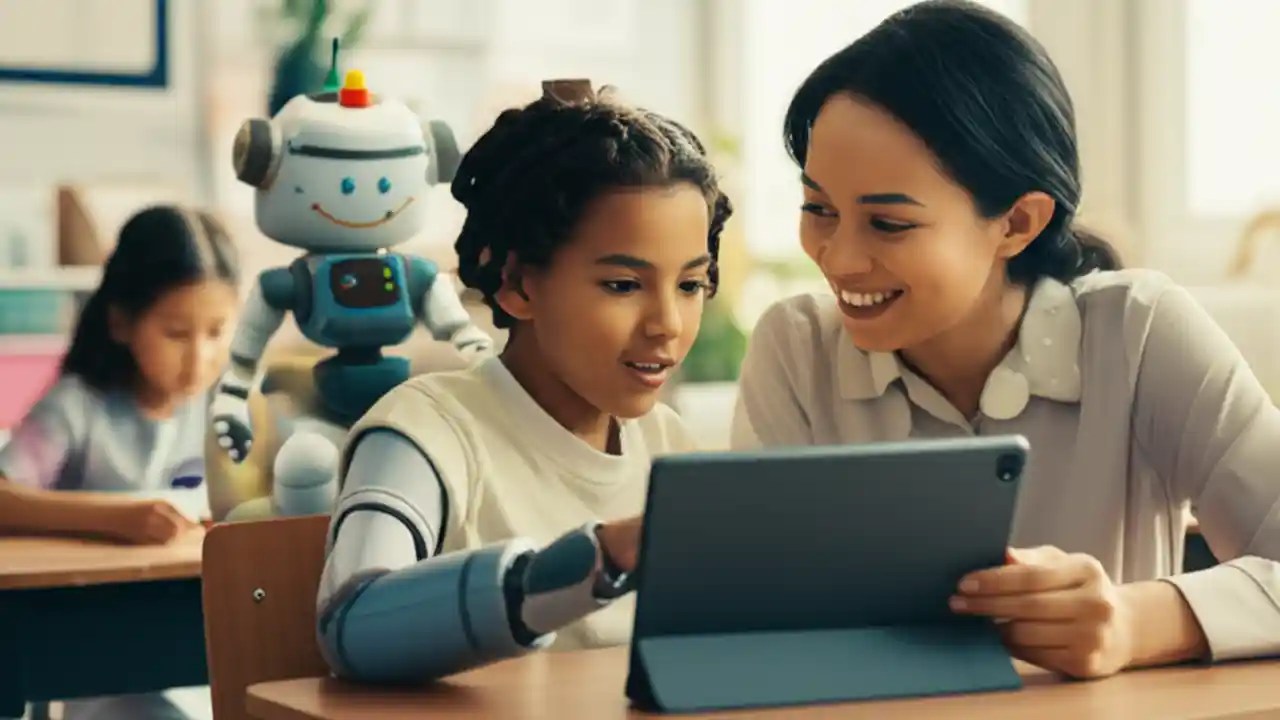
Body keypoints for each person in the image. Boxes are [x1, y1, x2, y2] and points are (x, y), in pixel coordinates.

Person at [732, 0, 1280, 680]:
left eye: (888, 224)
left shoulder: (1138, 333)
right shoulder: (796, 349)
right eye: (819, 209)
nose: (838, 259)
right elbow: (744, 621)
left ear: (1017, 222)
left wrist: (1134, 622)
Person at [315, 80, 731, 682]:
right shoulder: (426, 432)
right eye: (623, 285)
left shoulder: (669, 444)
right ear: (518, 284)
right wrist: (593, 563)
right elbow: (351, 623)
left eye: (690, 285)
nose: (668, 324)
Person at [0, 204, 239, 720]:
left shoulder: (223, 406)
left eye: (218, 332)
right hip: (91, 656)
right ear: (121, 322)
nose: (199, 358)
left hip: (202, 639)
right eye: (176, 334)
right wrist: (117, 519)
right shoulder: (76, 408)